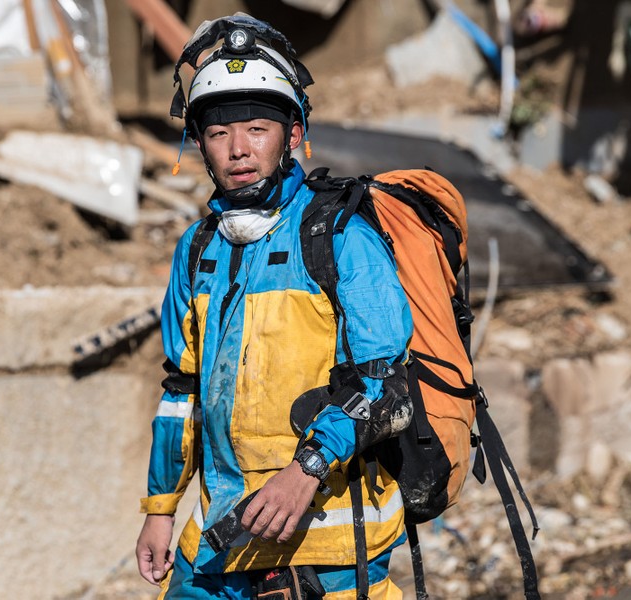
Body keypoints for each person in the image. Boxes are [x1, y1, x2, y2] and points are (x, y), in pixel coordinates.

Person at [135, 14, 413, 600]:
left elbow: (387, 386)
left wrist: (304, 471)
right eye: (217, 133)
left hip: (330, 544)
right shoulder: (198, 248)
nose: (238, 150)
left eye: (257, 128)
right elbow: (180, 391)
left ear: (292, 135)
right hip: (221, 536)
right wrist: (162, 508)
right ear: (199, 145)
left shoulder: (339, 236)